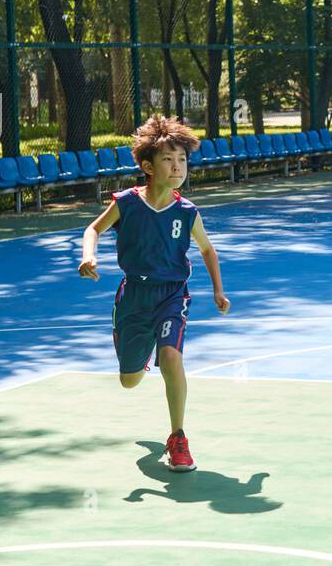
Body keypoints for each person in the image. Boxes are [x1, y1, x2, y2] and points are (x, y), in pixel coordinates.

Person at [79, 115, 230, 471]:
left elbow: (207, 250)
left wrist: (218, 292)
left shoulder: (187, 212)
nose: (177, 167)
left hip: (172, 295)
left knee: (172, 357)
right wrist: (88, 255)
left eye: (182, 160)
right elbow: (93, 229)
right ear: (148, 166)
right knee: (129, 381)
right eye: (168, 160)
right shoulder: (128, 203)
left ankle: (178, 437)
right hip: (134, 297)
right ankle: (137, 350)